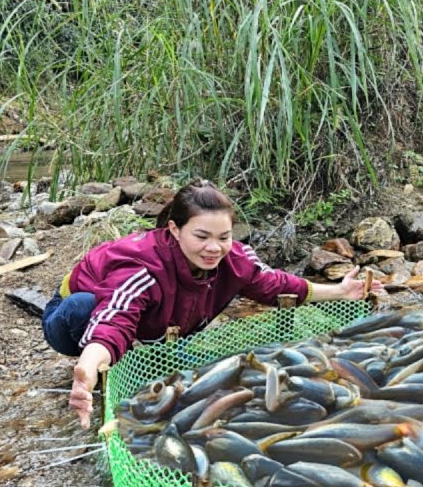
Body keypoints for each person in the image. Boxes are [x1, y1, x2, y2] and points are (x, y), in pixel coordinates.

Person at [42, 180, 383, 428]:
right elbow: (112, 321)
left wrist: (339, 291)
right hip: (72, 316)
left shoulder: (233, 259)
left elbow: (276, 284)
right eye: (201, 236)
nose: (214, 248)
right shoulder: (143, 267)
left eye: (223, 237)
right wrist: (88, 368)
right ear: (175, 229)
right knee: (85, 309)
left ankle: (147, 349)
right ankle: (107, 365)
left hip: (160, 326)